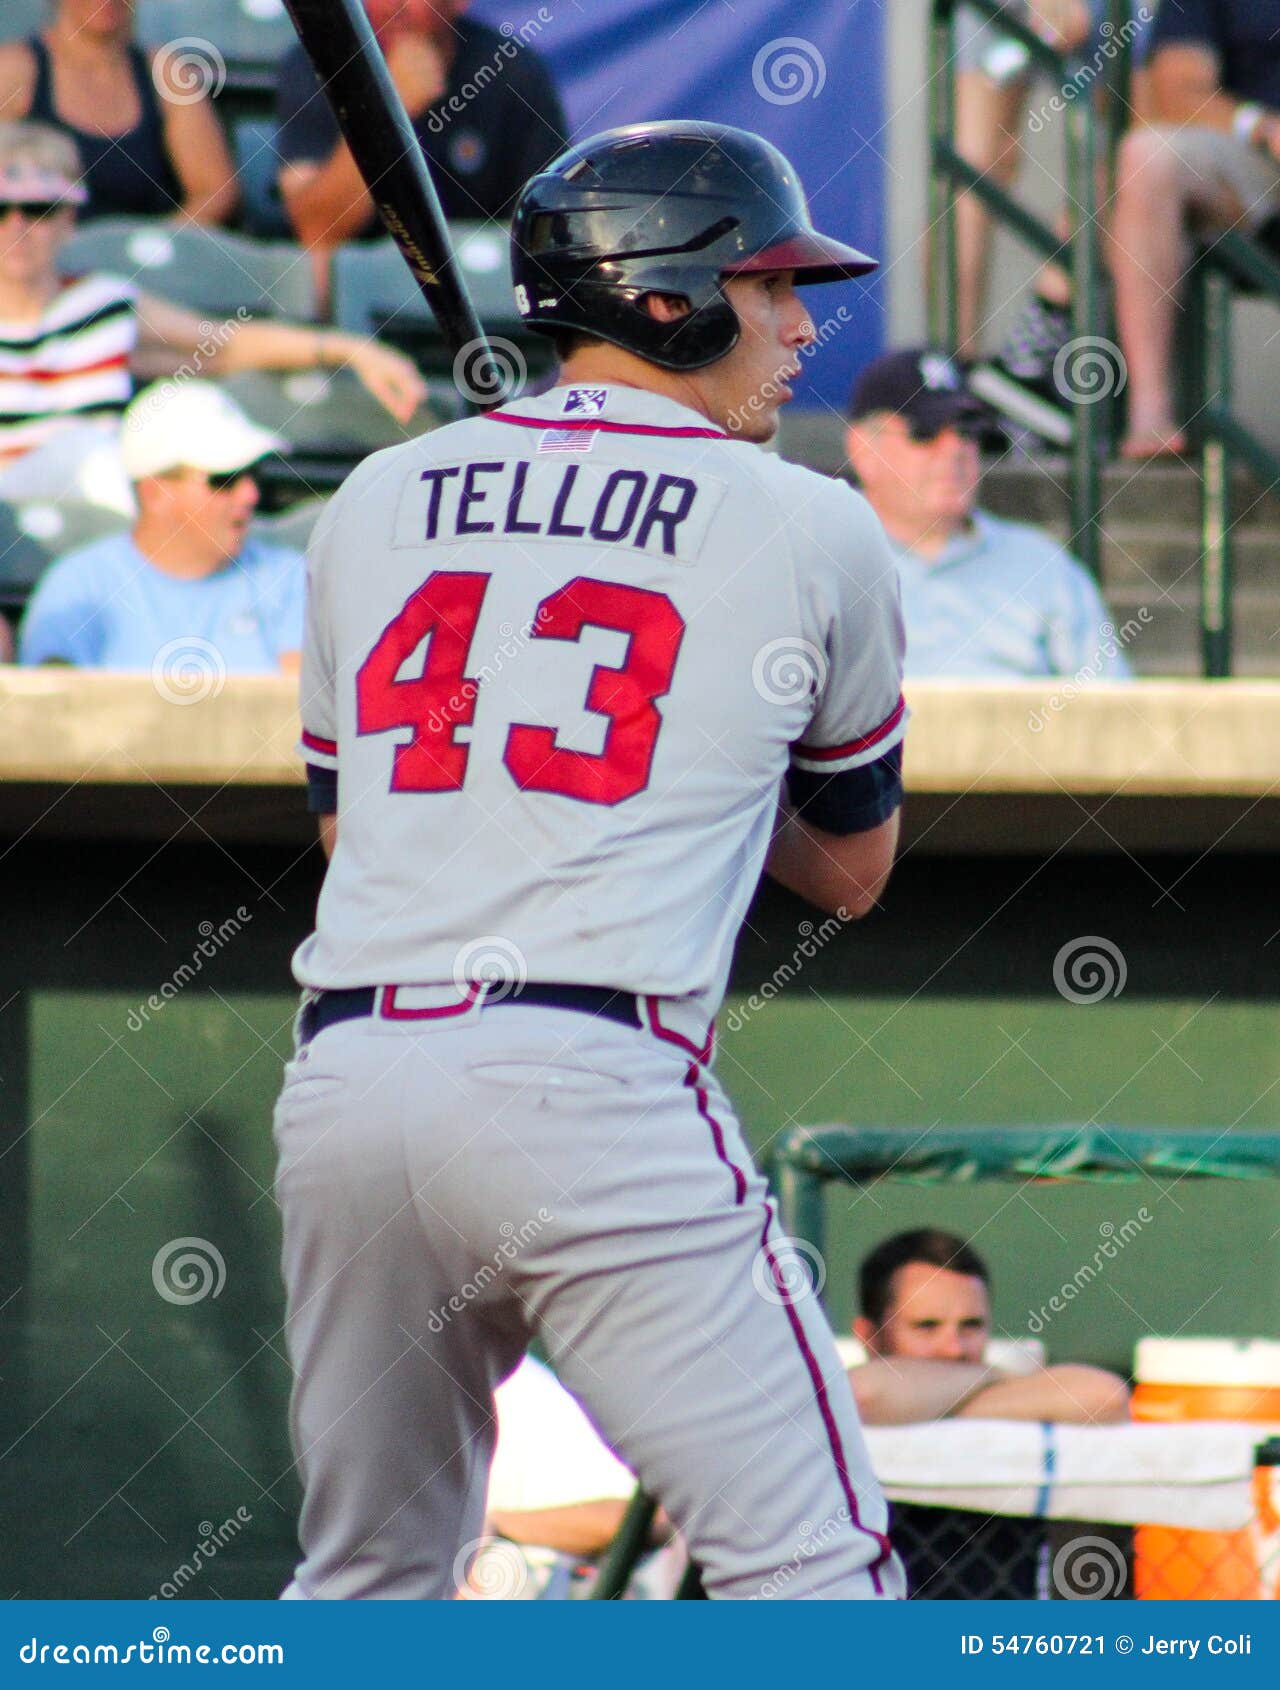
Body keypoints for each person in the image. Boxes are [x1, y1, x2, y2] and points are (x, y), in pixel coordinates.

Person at [275, 119, 910, 1602]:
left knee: (369, 1581)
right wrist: (696, 775)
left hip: (347, 1080)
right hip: (589, 1080)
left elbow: (351, 830)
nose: (802, 325)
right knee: (815, 1574)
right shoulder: (814, 521)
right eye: (771, 286)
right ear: (668, 296)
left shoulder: (374, 497)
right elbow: (852, 872)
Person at [0, 121, 425, 515]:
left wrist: (353, 350)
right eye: (1, 209)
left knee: (178, 413)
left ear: (68, 217)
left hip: (97, 518)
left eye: (38, 209)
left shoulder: (102, 303)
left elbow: (222, 346)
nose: (17, 227)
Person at [845, 347, 1134, 678]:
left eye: (968, 432)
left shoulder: (1042, 565)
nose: (954, 450)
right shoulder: (820, 560)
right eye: (924, 432)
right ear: (863, 449)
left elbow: (1110, 698)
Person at [276, 0, 567, 304]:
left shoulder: (513, 72)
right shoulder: (317, 62)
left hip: (489, 301)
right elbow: (316, 230)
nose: (394, 5)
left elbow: (549, 235)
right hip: (367, 307)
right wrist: (389, 108)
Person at [19, 380, 302, 673]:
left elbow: (304, 695)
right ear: (154, 493)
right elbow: (55, 695)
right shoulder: (78, 586)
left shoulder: (289, 579)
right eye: (223, 479)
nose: (249, 494)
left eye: (253, 473)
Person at [1109, 0, 1280, 458]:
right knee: (1148, 156)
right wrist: (1262, 127)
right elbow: (1177, 88)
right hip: (1260, 164)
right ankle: (1150, 412)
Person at [848, 1227, 1132, 1425]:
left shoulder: (988, 1380)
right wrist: (995, 1380)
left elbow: (1106, 1398)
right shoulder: (841, 1401)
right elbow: (861, 1398)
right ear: (869, 1338)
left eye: (971, 1326)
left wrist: (924, 1407)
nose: (954, 1349)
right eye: (926, 1326)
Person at [0, 0, 237, 223]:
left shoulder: (166, 73)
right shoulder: (14, 71)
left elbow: (215, 191)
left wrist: (152, 243)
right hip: (40, 250)